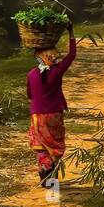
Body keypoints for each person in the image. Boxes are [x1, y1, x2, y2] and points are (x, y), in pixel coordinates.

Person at [26, 22, 77, 185]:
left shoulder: (31, 74)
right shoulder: (57, 72)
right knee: (54, 146)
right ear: (52, 57)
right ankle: (51, 179)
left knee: (40, 145)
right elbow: (71, 55)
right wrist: (71, 33)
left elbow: (29, 95)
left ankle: (45, 171)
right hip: (54, 114)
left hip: (37, 116)